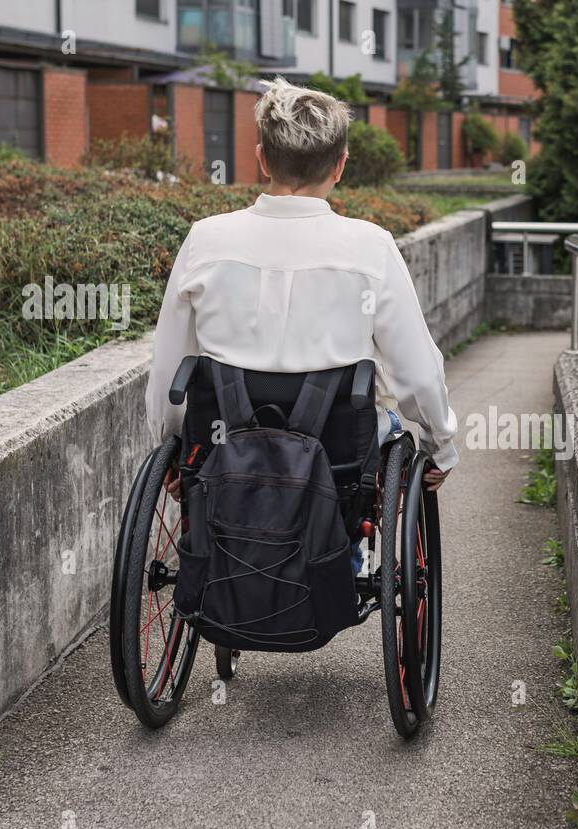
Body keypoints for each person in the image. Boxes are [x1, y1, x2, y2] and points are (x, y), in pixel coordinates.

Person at [144, 78, 459, 571]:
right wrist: (441, 445)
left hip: (223, 454)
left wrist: (175, 445)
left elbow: (170, 367)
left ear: (262, 160)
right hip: (335, 463)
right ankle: (343, 552)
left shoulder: (205, 241)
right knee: (395, 429)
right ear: (340, 164)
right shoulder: (371, 247)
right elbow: (417, 374)